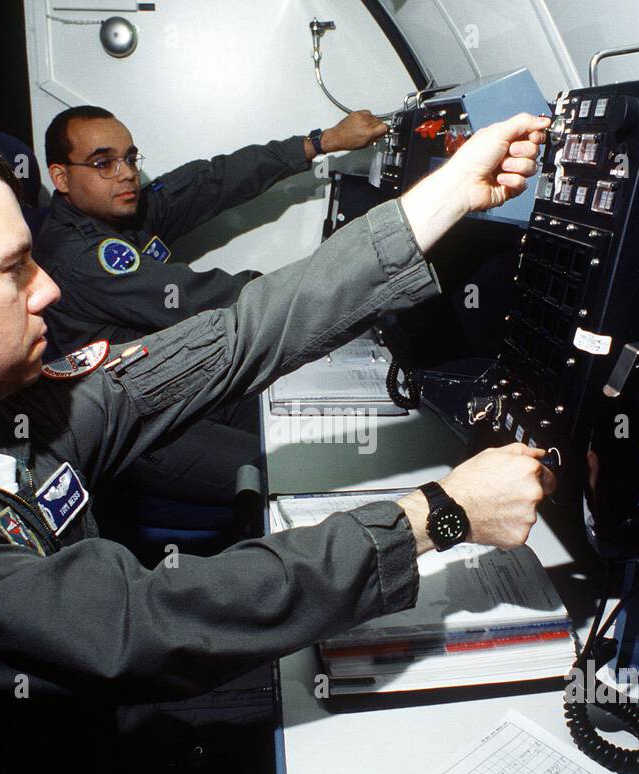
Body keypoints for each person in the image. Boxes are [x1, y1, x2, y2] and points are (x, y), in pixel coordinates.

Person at [0, 113, 552, 774]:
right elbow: (140, 625)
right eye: (13, 268)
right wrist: (442, 515)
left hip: (84, 738)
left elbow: (231, 339)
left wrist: (448, 192)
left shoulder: (15, 417)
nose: (49, 289)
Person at [33, 105, 389, 507]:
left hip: (184, 379)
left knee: (306, 423)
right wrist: (341, 282)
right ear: (60, 177)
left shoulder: (121, 211)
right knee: (288, 468)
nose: (126, 172)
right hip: (139, 425)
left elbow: (213, 180)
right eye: (104, 163)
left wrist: (322, 142)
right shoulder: (79, 255)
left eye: (130, 158)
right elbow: (200, 296)